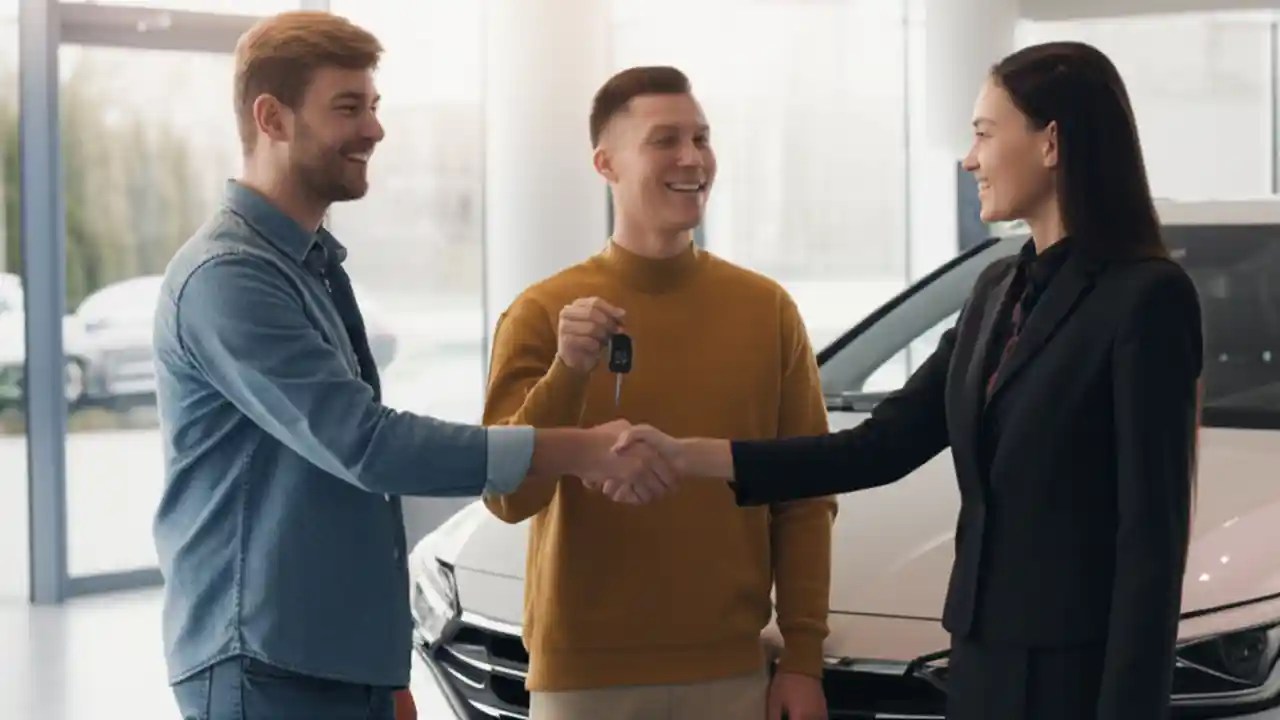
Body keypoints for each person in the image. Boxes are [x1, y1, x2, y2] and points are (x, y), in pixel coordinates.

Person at [616, 42, 1203, 720]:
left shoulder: (1146, 298)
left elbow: (1150, 545)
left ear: (1051, 143)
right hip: (979, 657)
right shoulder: (997, 289)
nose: (969, 158)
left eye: (984, 134)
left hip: (1077, 674)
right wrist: (689, 455)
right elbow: (879, 446)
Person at [151, 12, 673, 720]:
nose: (374, 129)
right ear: (271, 118)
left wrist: (382, 667)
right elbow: (368, 445)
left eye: (374, 106)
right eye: (348, 107)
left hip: (331, 664)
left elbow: (337, 491)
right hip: (266, 669)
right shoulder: (228, 278)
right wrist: (581, 449)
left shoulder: (306, 265)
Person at [482, 66, 836, 720]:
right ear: (605, 162)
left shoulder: (767, 311)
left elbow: (806, 495)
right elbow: (507, 497)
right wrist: (568, 371)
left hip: (731, 670)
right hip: (581, 681)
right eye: (664, 140)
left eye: (701, 138)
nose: (692, 158)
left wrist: (803, 659)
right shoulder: (540, 314)